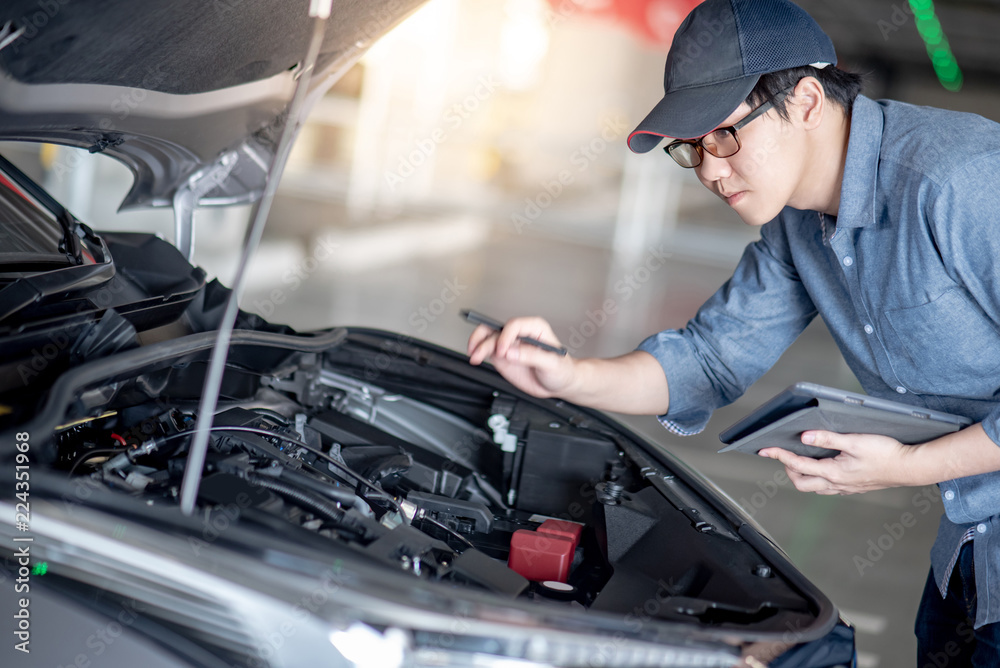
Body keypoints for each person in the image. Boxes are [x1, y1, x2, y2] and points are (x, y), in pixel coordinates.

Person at [467, 0, 1000, 663]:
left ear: (806, 100)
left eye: (723, 136)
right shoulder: (797, 224)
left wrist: (912, 466)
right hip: (973, 554)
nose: (711, 171)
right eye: (691, 150)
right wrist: (568, 374)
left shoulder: (960, 181)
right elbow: (708, 359)